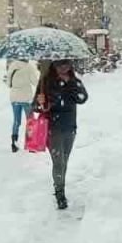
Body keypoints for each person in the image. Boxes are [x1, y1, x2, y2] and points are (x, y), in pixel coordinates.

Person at [36, 59, 88, 210]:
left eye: (66, 64)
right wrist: (40, 102)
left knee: (64, 160)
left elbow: (82, 98)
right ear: (54, 66)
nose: (63, 68)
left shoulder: (74, 81)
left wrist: (71, 84)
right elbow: (36, 106)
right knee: (59, 162)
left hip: (70, 127)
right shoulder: (46, 82)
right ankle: (60, 193)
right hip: (53, 128)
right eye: (59, 65)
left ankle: (60, 185)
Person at [7, 58, 39, 152]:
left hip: (14, 97)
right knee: (30, 120)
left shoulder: (12, 65)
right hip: (26, 98)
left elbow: (9, 84)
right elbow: (35, 82)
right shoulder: (29, 67)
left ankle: (14, 143)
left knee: (16, 121)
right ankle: (31, 144)